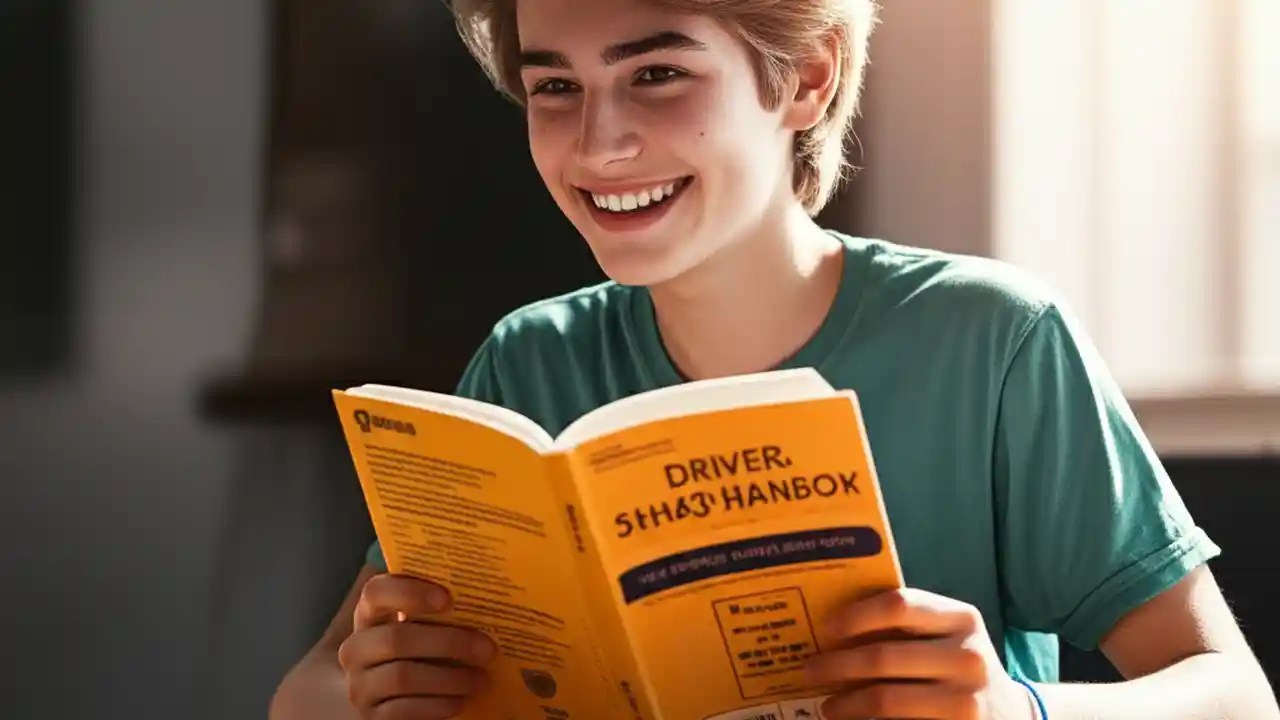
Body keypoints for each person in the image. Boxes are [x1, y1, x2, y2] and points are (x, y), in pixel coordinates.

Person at [270, 0, 1280, 718]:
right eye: (555, 88)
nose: (598, 145)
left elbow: (1234, 696)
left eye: (655, 74)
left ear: (806, 77)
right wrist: (370, 690)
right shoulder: (528, 363)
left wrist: (1018, 711)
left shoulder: (992, 339)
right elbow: (304, 692)